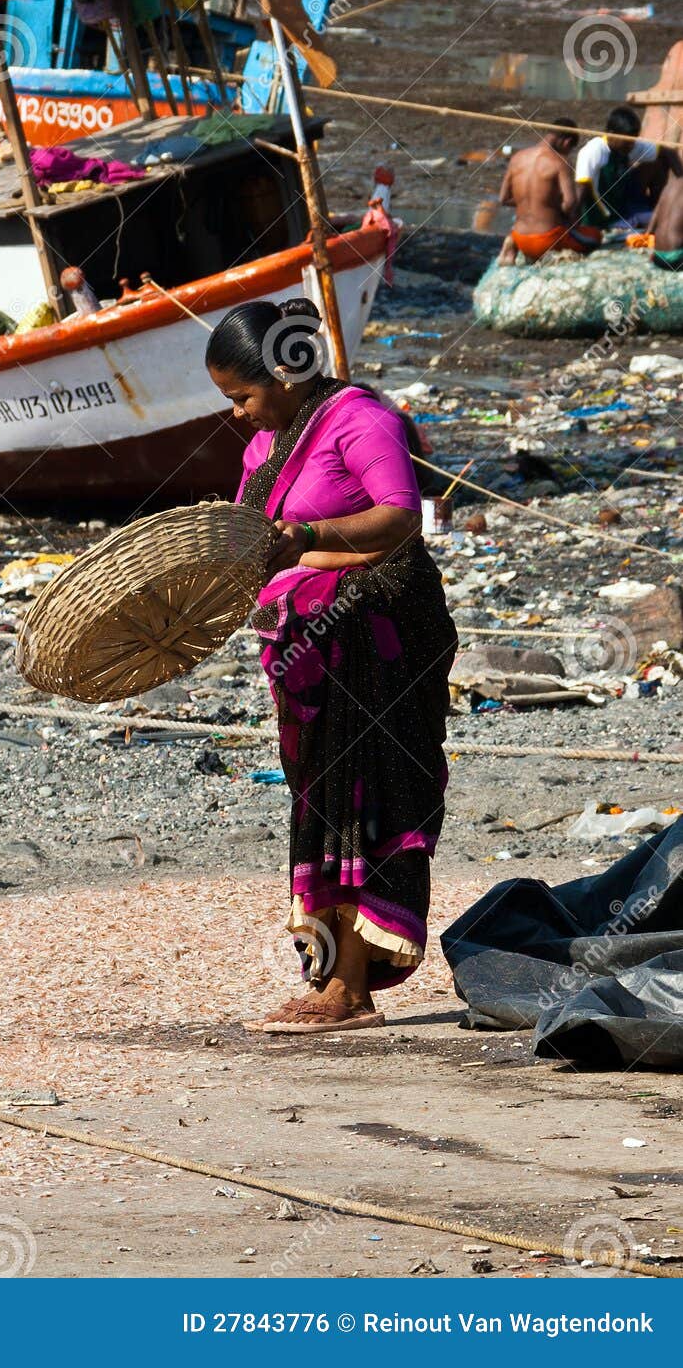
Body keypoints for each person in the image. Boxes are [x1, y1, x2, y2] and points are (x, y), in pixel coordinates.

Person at [206, 299, 457, 1034]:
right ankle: (330, 977)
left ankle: (350, 988)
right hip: (309, 657)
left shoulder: (358, 419)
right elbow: (251, 544)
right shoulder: (264, 450)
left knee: (370, 801)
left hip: (379, 643)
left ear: (285, 374)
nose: (237, 414)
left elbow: (399, 514)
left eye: (242, 396)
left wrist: (306, 538)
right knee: (321, 805)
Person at [574, 105, 678, 240]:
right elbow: (580, 191)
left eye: (633, 140)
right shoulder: (594, 150)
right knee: (667, 225)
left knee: (656, 162)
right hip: (604, 219)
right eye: (627, 141)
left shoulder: (630, 146)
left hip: (625, 208)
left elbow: (668, 152)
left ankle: (656, 209)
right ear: (611, 133)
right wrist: (573, 228)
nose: (631, 145)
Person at [496, 120, 589, 263]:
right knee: (594, 237)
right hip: (548, 240)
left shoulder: (517, 157)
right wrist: (551, 206)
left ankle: (512, 242)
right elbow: (570, 204)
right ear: (567, 142)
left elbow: (503, 198)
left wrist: (533, 203)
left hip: (520, 238)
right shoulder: (560, 162)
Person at [651, 172, 683, 272]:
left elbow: (654, 217)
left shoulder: (671, 184)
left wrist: (646, 235)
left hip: (658, 256)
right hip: (677, 258)